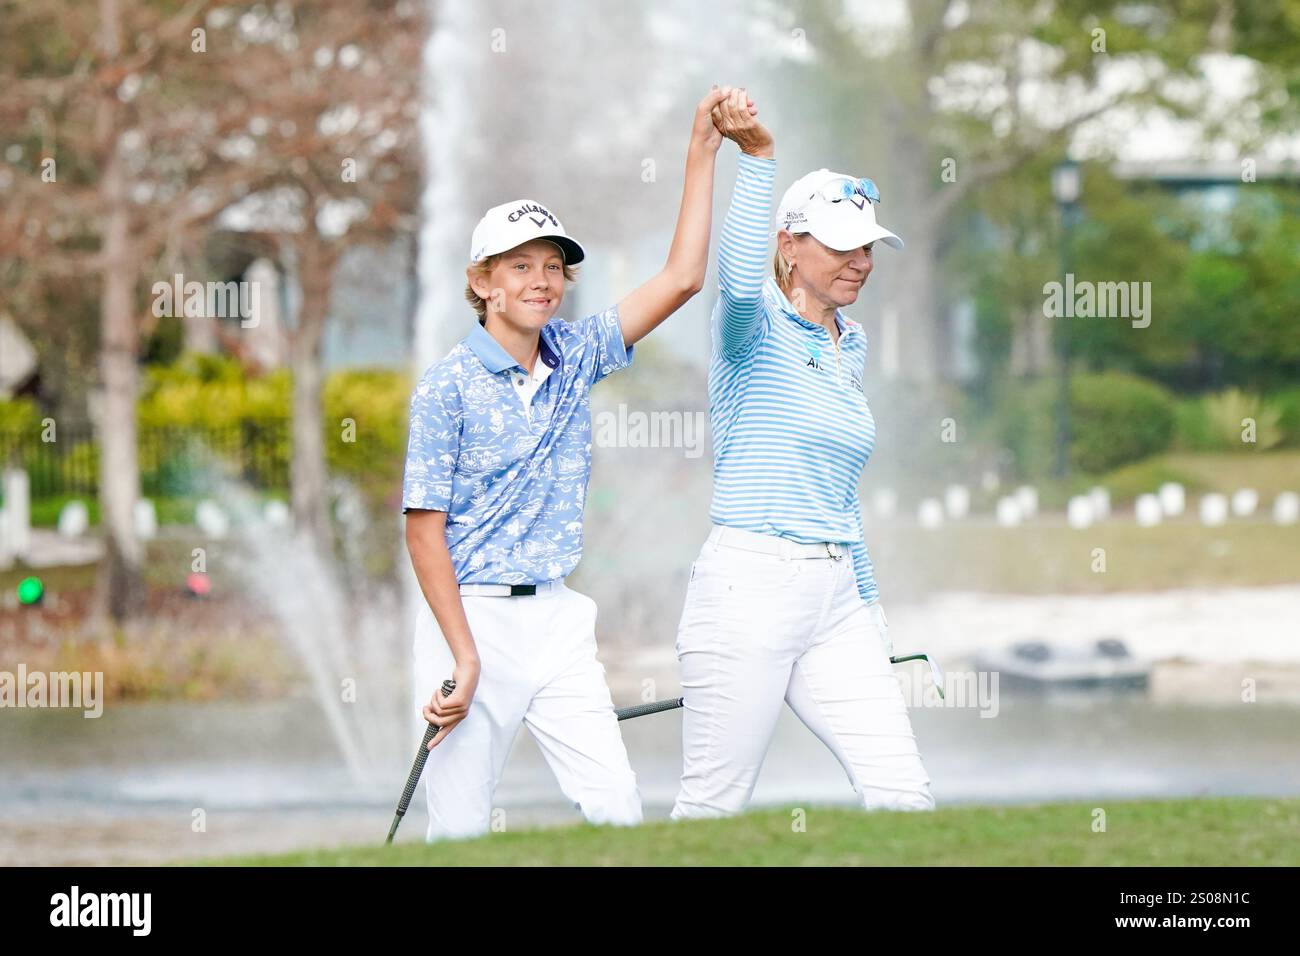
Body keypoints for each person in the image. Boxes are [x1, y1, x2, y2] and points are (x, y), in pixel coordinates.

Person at [401, 87, 741, 841]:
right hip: (471, 620)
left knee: (617, 809)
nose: (541, 280)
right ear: (481, 283)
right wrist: (463, 654)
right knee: (457, 837)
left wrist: (701, 150)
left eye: (552, 265)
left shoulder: (577, 353)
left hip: (556, 621)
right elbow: (424, 533)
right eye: (518, 266)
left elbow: (682, 278)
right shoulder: (445, 389)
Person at [670, 90, 935, 819]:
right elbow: (728, 277)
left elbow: (838, 495)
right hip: (748, 586)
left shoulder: (851, 345)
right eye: (839, 245)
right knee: (712, 806)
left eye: (867, 246)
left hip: (836, 594)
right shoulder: (749, 327)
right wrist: (757, 157)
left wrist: (872, 606)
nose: (859, 261)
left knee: (903, 794)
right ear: (790, 245)